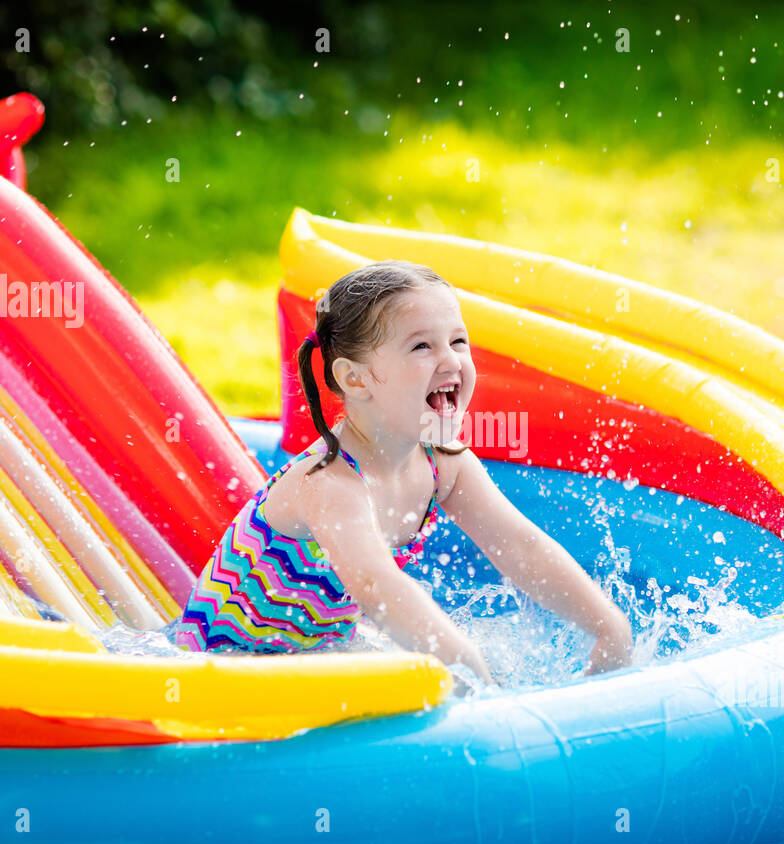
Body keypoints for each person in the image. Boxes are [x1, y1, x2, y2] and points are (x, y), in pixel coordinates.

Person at [171, 259, 633, 688]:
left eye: (458, 341)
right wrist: (471, 672)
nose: (451, 361)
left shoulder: (443, 462)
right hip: (220, 673)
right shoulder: (329, 480)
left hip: (309, 654)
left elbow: (520, 545)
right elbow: (378, 587)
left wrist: (607, 626)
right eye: (421, 346)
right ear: (356, 379)